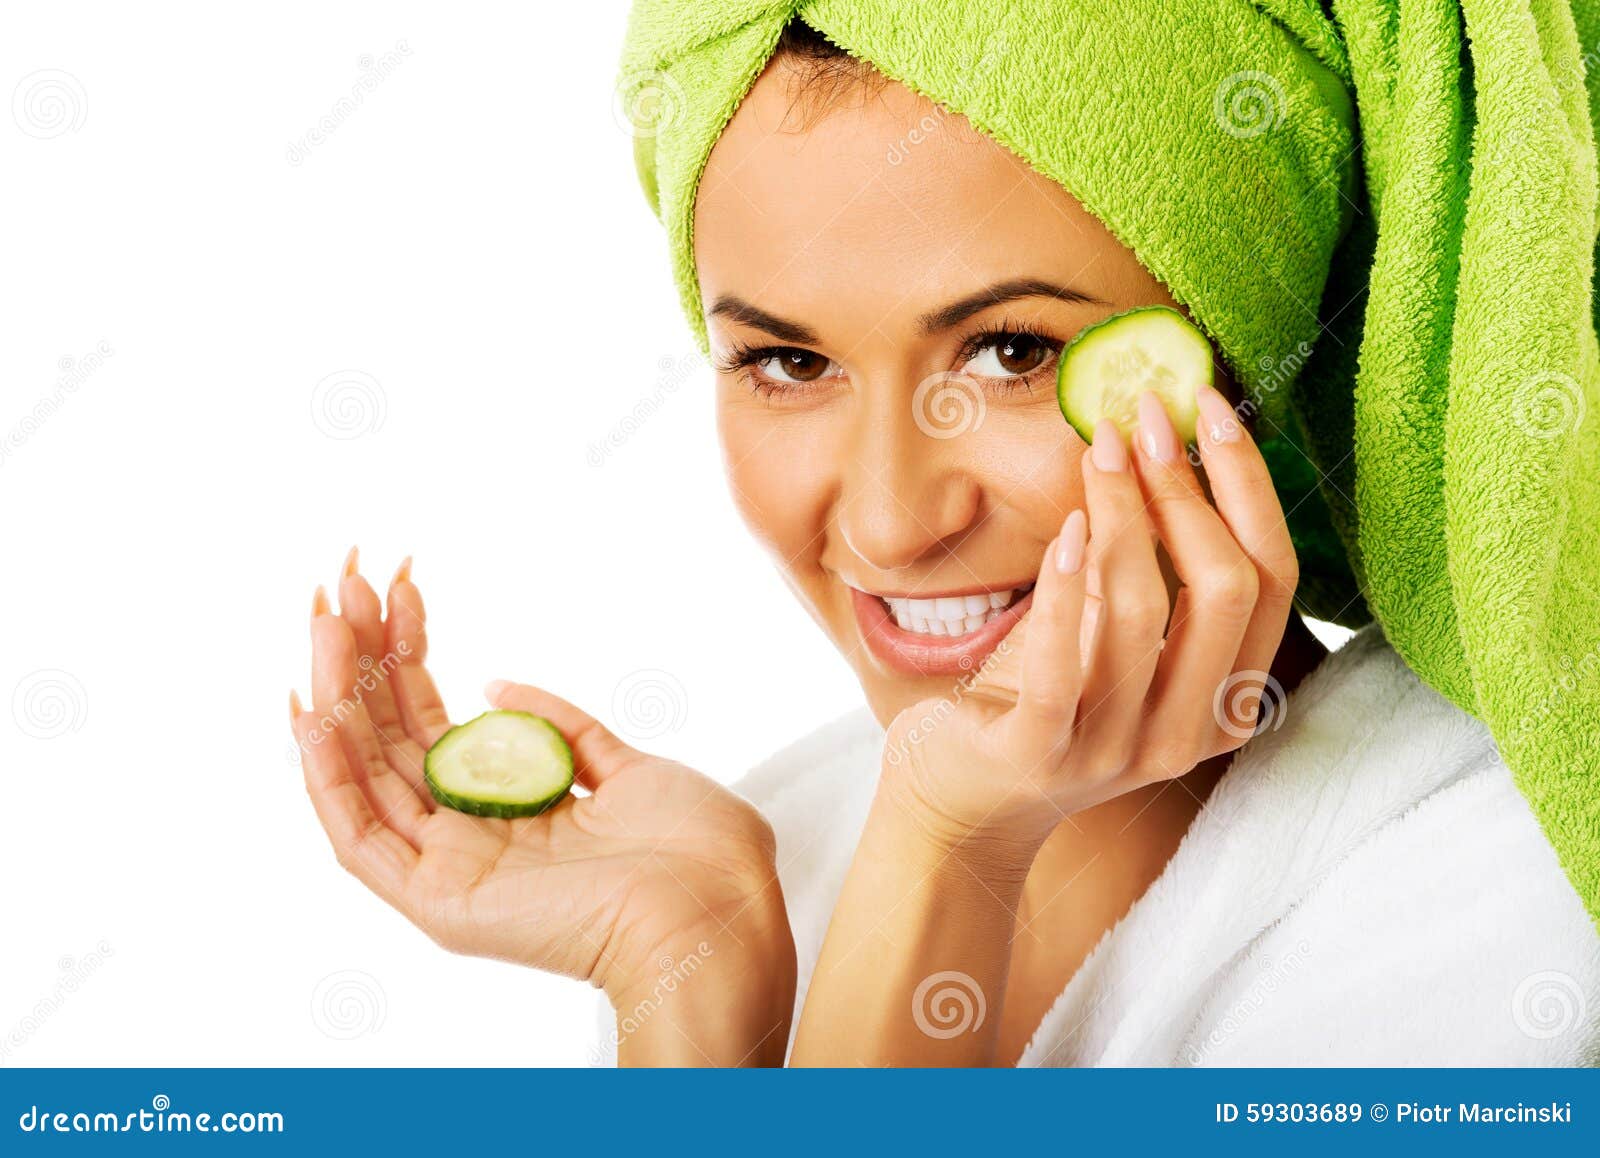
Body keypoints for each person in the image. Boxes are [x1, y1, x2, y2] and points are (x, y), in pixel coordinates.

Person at [289, 4, 1600, 1065]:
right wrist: (684, 996)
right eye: (789, 361)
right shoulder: (783, 835)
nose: (888, 519)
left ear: (1247, 363)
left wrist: (950, 853)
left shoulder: (1513, 904)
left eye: (1017, 351)